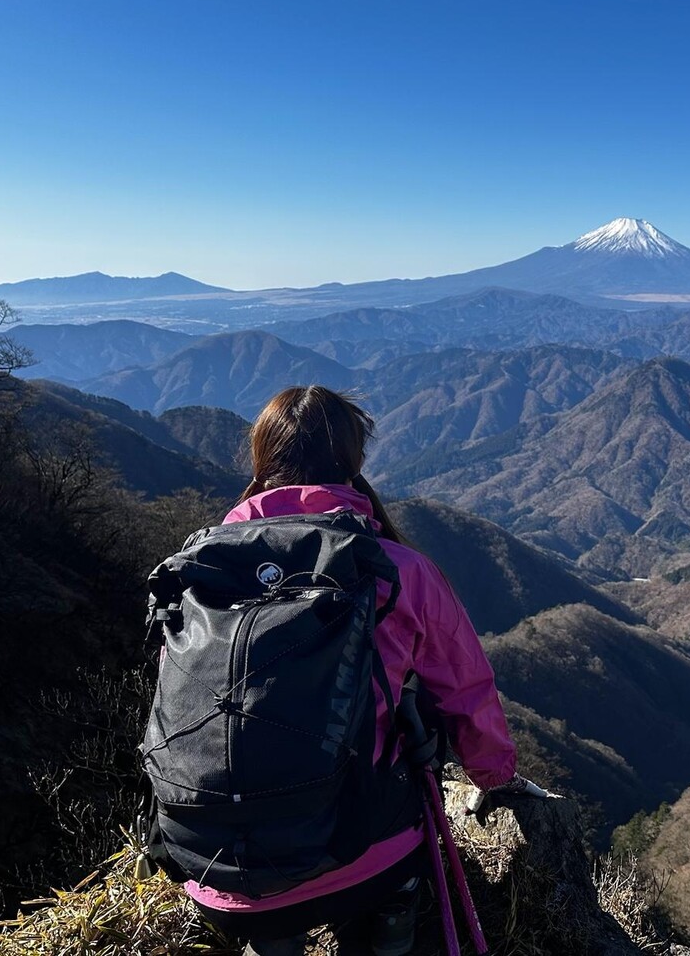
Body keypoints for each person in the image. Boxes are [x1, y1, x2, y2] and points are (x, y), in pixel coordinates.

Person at [183, 384, 526, 956]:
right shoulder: (398, 569)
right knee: (382, 896)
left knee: (272, 925)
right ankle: (386, 927)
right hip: (365, 852)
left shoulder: (201, 570)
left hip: (217, 866)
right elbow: (466, 691)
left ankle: (274, 939)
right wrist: (496, 777)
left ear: (262, 460)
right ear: (354, 460)